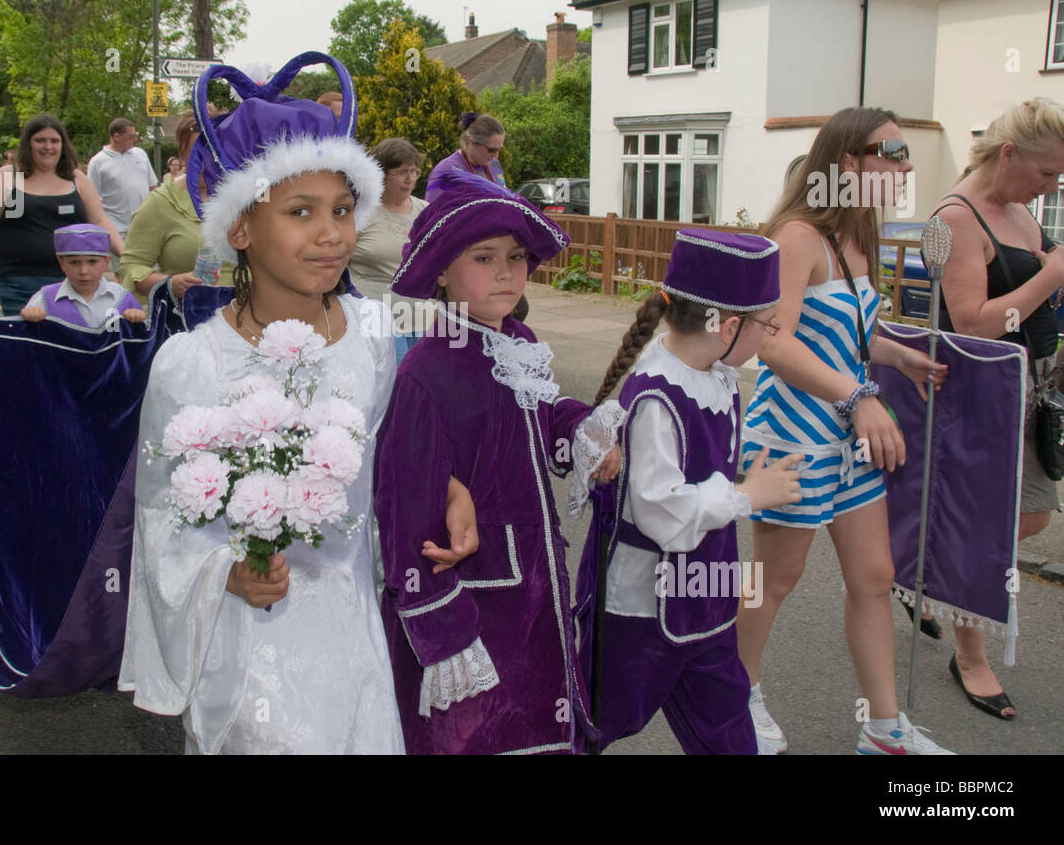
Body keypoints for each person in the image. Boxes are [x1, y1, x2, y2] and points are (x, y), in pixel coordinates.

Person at [120, 52, 407, 755]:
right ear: (240, 228)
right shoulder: (192, 364)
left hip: (353, 635)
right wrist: (228, 569)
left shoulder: (372, 341)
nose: (332, 232)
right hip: (251, 649)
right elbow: (159, 514)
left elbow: (390, 472)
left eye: (343, 209)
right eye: (300, 211)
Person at [373, 172, 622, 755]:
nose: (507, 271)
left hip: (535, 592)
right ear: (439, 271)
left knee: (540, 724)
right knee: (478, 736)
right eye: (484, 257)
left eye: (516, 256)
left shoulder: (518, 338)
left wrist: (583, 430)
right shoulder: (426, 373)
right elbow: (404, 507)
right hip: (478, 609)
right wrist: (444, 633)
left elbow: (538, 416)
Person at [737, 106, 953, 754]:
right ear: (849, 161)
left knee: (874, 575)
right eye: (893, 153)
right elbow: (772, 346)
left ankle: (884, 730)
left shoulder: (862, 238)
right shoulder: (799, 235)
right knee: (775, 579)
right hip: (794, 437)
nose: (907, 165)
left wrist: (893, 354)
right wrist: (860, 394)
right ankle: (735, 697)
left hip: (848, 441)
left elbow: (842, 335)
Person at [576, 231, 802, 755]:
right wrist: (749, 496)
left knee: (729, 733)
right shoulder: (655, 396)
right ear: (727, 326)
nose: (772, 333)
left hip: (707, 600)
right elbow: (660, 512)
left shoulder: (718, 375)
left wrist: (753, 474)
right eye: (768, 323)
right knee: (594, 726)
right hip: (641, 612)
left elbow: (705, 464)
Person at [928, 97, 1064, 720]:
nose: (1052, 187)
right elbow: (974, 325)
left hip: (1034, 382)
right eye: (1046, 173)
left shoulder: (1018, 210)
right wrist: (1051, 276)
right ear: (1009, 154)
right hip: (984, 391)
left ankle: (932, 565)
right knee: (980, 532)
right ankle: (970, 656)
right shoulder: (953, 218)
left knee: (1031, 519)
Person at [0, 114, 123, 315]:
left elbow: (100, 221)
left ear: (63, 145)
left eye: (54, 141)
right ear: (28, 144)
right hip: (18, 282)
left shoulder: (77, 179)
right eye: (40, 140)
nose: (48, 146)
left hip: (73, 283)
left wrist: (126, 258)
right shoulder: (6, 178)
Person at [117, 114, 212, 303]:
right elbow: (130, 268)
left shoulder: (247, 196)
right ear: (183, 153)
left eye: (215, 150)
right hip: (189, 321)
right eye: (198, 152)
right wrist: (171, 283)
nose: (207, 160)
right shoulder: (161, 203)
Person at [20, 224, 145, 328]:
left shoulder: (121, 297)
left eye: (92, 262)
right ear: (61, 262)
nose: (84, 271)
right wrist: (30, 315)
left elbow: (140, 338)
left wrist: (136, 317)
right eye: (74, 262)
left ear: (107, 262)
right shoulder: (45, 299)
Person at [349, 137, 428, 302]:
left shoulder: (428, 211)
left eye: (414, 171)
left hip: (423, 318)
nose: (410, 179)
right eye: (402, 172)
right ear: (381, 175)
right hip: (373, 317)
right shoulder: (359, 213)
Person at [86, 117, 157, 244]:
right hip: (116, 230)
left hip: (144, 227)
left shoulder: (141, 154)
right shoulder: (97, 162)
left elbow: (153, 187)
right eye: (131, 136)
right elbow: (91, 199)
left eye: (135, 135)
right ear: (116, 136)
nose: (135, 140)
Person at [424, 112, 507, 202]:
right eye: (491, 150)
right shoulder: (446, 173)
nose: (496, 156)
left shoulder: (493, 164)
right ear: (472, 143)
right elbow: (433, 213)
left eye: (499, 149)